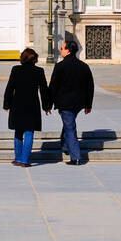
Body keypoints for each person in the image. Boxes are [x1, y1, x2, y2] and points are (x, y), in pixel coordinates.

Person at [48, 37, 94, 165]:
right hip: (79, 103)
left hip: (65, 102)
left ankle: (76, 157)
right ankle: (65, 146)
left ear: (68, 51)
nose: (60, 50)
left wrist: (48, 104)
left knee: (70, 127)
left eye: (62, 48)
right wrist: (88, 104)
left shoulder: (60, 66)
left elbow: (53, 87)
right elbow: (90, 86)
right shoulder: (84, 66)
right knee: (69, 123)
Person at [4, 47, 51, 167]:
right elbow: (44, 90)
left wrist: (6, 104)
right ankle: (24, 160)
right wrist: (46, 106)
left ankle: (18, 158)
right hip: (32, 105)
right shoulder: (39, 71)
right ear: (34, 59)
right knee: (29, 132)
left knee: (18, 131)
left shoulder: (16, 70)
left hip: (17, 104)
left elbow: (10, 88)